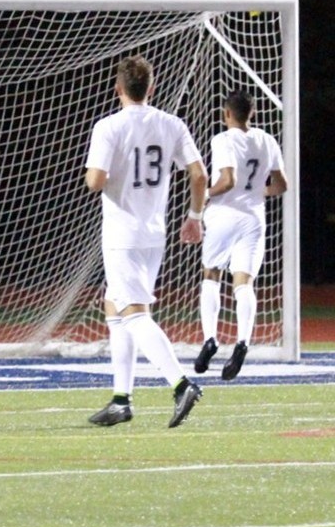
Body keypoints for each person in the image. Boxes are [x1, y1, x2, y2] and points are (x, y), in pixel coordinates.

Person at [84, 55, 208, 428]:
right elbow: (199, 175)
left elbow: (94, 182)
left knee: (134, 315)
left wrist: (100, 171)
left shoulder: (109, 126)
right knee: (114, 305)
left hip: (122, 235)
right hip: (154, 235)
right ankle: (121, 399)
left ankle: (181, 384)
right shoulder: (171, 124)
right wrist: (195, 218)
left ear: (118, 88)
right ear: (151, 89)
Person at [194, 90, 288, 380]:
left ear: (226, 114)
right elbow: (281, 185)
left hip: (224, 215)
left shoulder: (222, 139)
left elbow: (228, 179)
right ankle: (243, 343)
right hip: (253, 219)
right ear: (253, 113)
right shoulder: (266, 139)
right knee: (243, 283)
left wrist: (205, 195)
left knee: (211, 274)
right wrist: (259, 192)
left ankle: (210, 338)